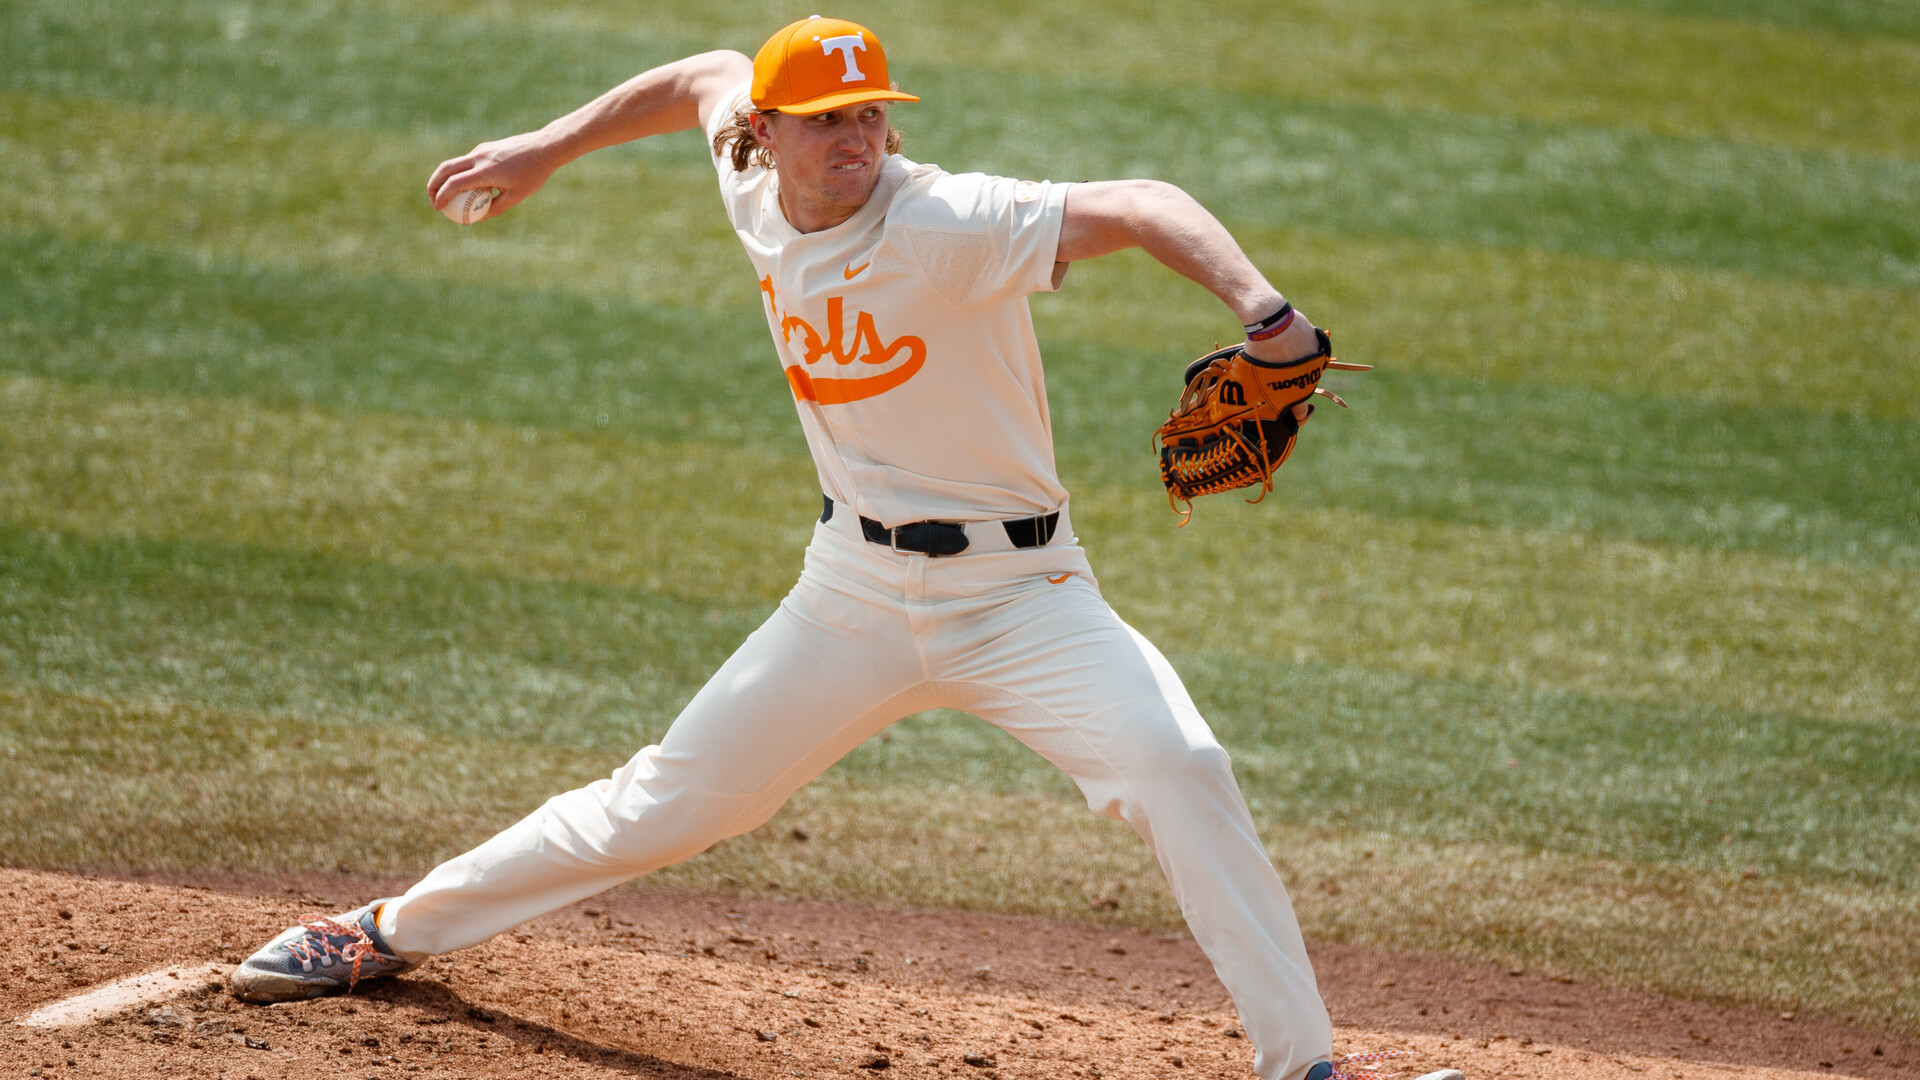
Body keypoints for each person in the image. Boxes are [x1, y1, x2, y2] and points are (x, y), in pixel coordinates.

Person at [230, 17, 1460, 1080]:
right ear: (766, 135)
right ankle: (384, 930)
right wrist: (548, 149)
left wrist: (1267, 315)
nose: (857, 138)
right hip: (853, 596)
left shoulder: (955, 221)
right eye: (826, 120)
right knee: (662, 803)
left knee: (1180, 763)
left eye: (870, 112)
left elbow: (1140, 206)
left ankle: (1303, 1063)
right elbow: (707, 69)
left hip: (1024, 593)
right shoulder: (747, 179)